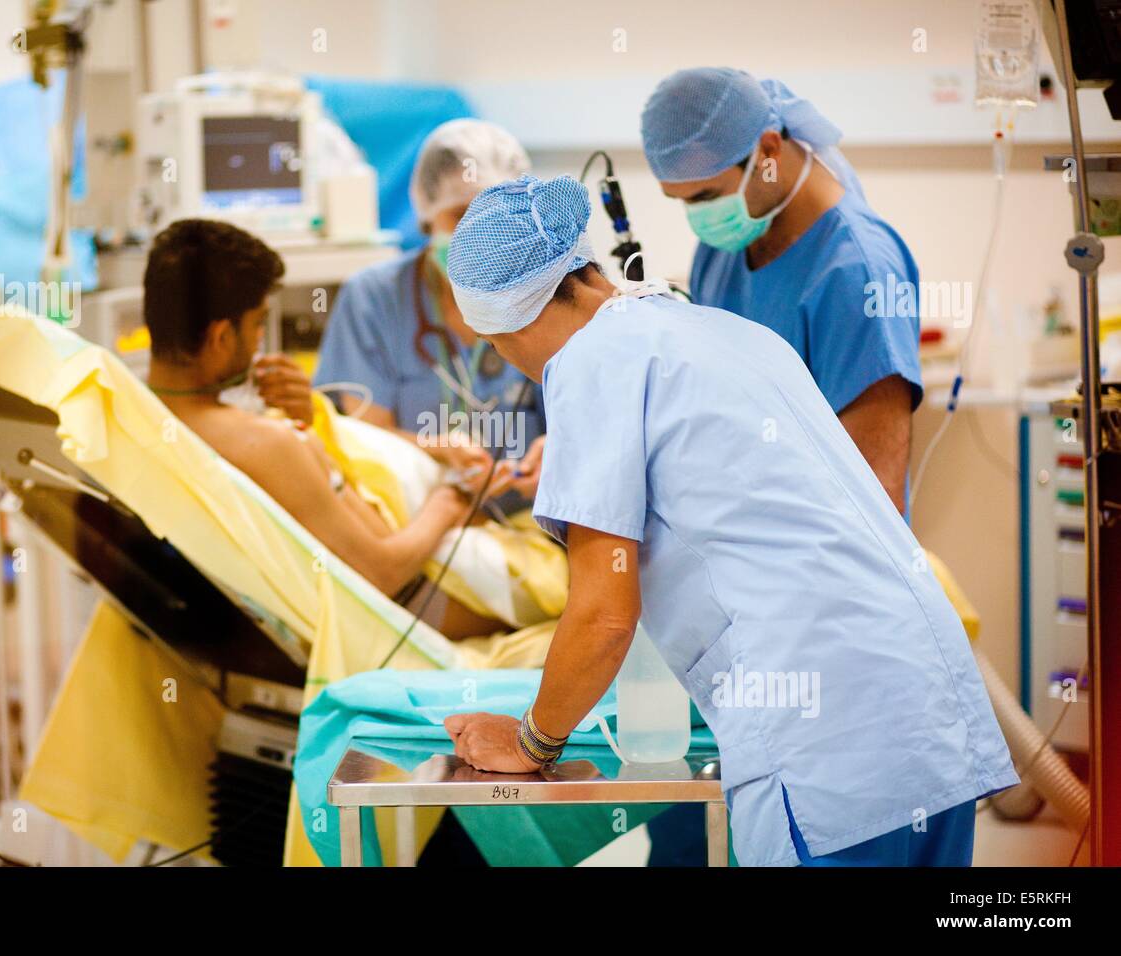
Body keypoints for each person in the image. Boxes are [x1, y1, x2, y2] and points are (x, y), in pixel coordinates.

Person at [440, 175, 1017, 866]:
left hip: (829, 753)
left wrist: (532, 741)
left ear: (510, 322)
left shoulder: (589, 361)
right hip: (927, 710)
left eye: (498, 347)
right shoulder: (713, 328)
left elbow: (604, 616)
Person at [142, 218, 501, 638]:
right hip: (404, 606)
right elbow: (383, 572)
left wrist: (310, 421)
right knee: (556, 596)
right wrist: (450, 501)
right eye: (258, 324)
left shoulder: (138, 417)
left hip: (397, 572)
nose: (261, 341)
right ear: (221, 337)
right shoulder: (267, 442)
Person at [641, 67, 920, 514]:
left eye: (705, 197)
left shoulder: (858, 272)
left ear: (768, 150)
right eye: (681, 200)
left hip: (822, 562)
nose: (697, 217)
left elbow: (875, 495)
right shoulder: (722, 251)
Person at [313, 119, 545, 503]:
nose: (478, 233)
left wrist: (553, 456)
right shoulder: (374, 298)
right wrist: (435, 448)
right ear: (426, 215)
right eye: (460, 215)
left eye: (492, 216)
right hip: (422, 517)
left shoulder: (542, 294)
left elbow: (581, 423)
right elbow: (363, 439)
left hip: (533, 518)